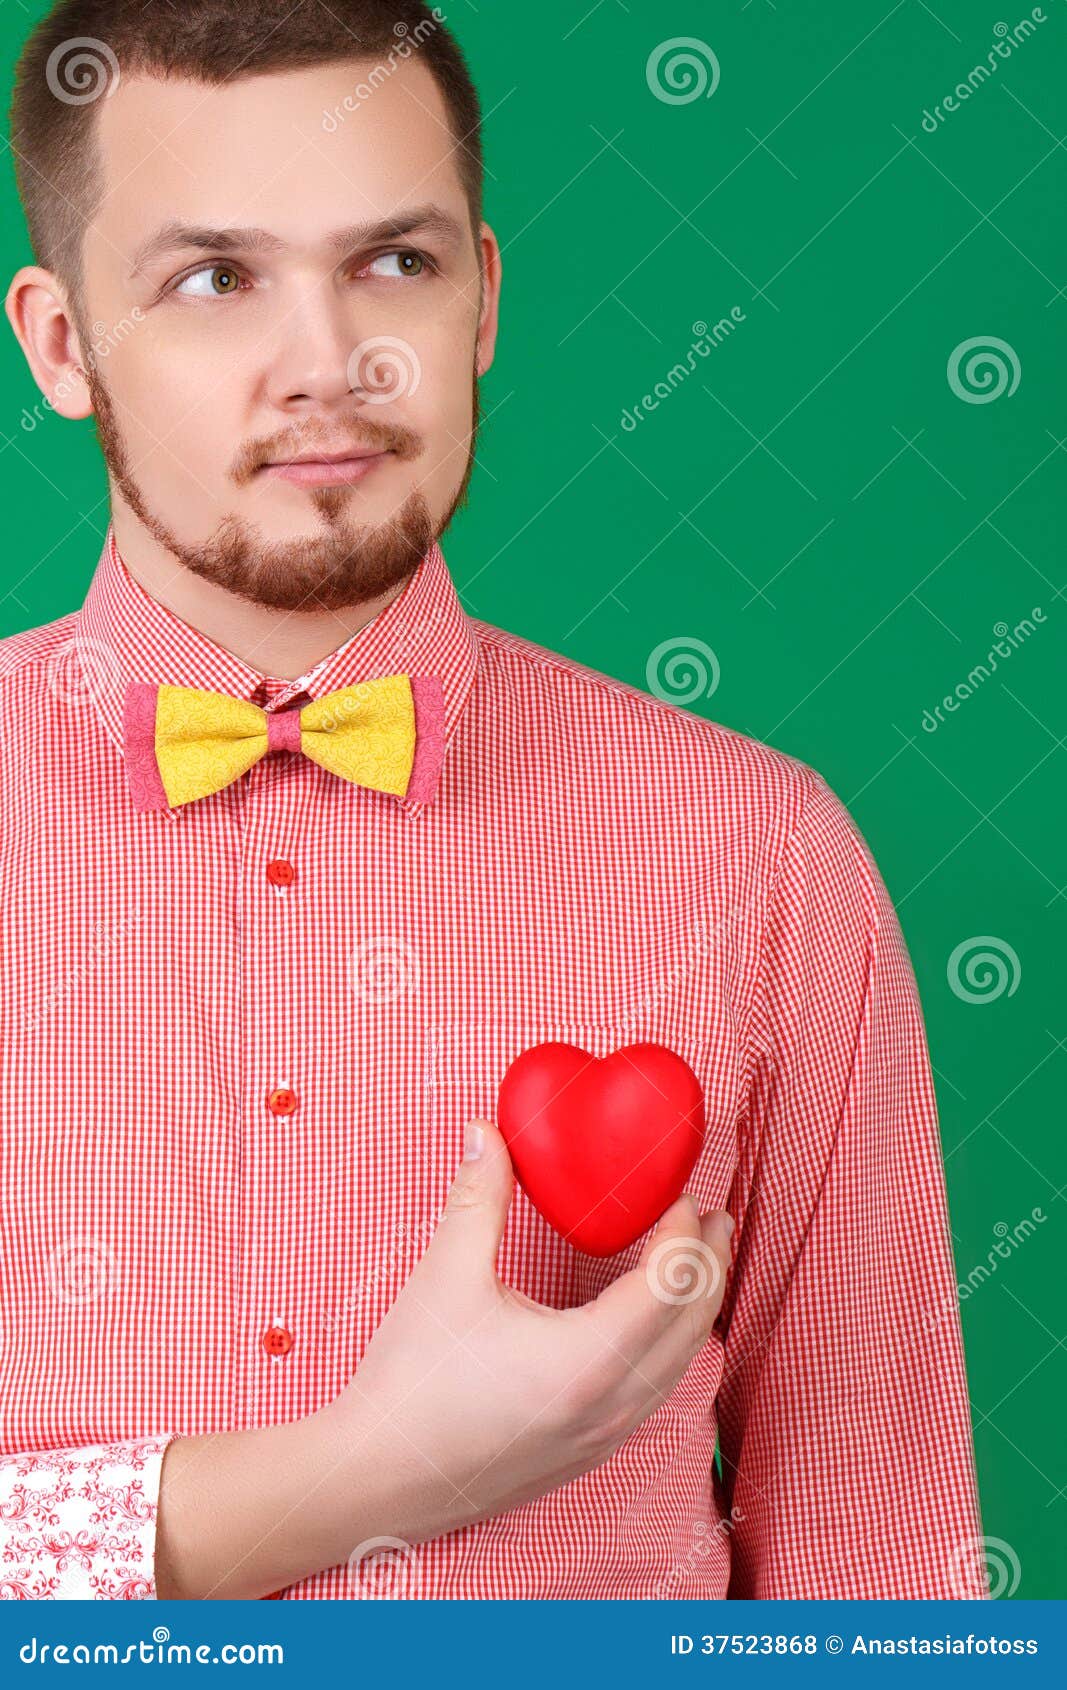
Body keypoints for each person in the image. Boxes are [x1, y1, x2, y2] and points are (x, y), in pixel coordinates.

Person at [0, 0, 986, 1601]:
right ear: (62, 345)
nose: (331, 366)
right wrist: (369, 1474)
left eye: (396, 261)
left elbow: (878, 1571)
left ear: (484, 299)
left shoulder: (758, 850)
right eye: (215, 279)